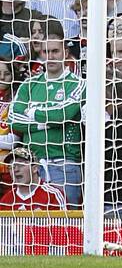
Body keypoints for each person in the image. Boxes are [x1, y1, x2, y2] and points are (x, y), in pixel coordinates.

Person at [10, 22, 85, 206]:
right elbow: (13, 120)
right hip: (32, 167)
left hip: (64, 165)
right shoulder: (28, 85)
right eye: (45, 52)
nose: (50, 56)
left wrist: (32, 111)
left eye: (55, 51)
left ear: (65, 53)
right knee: (31, 224)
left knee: (65, 225)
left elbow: (63, 114)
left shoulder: (78, 84)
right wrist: (45, 121)